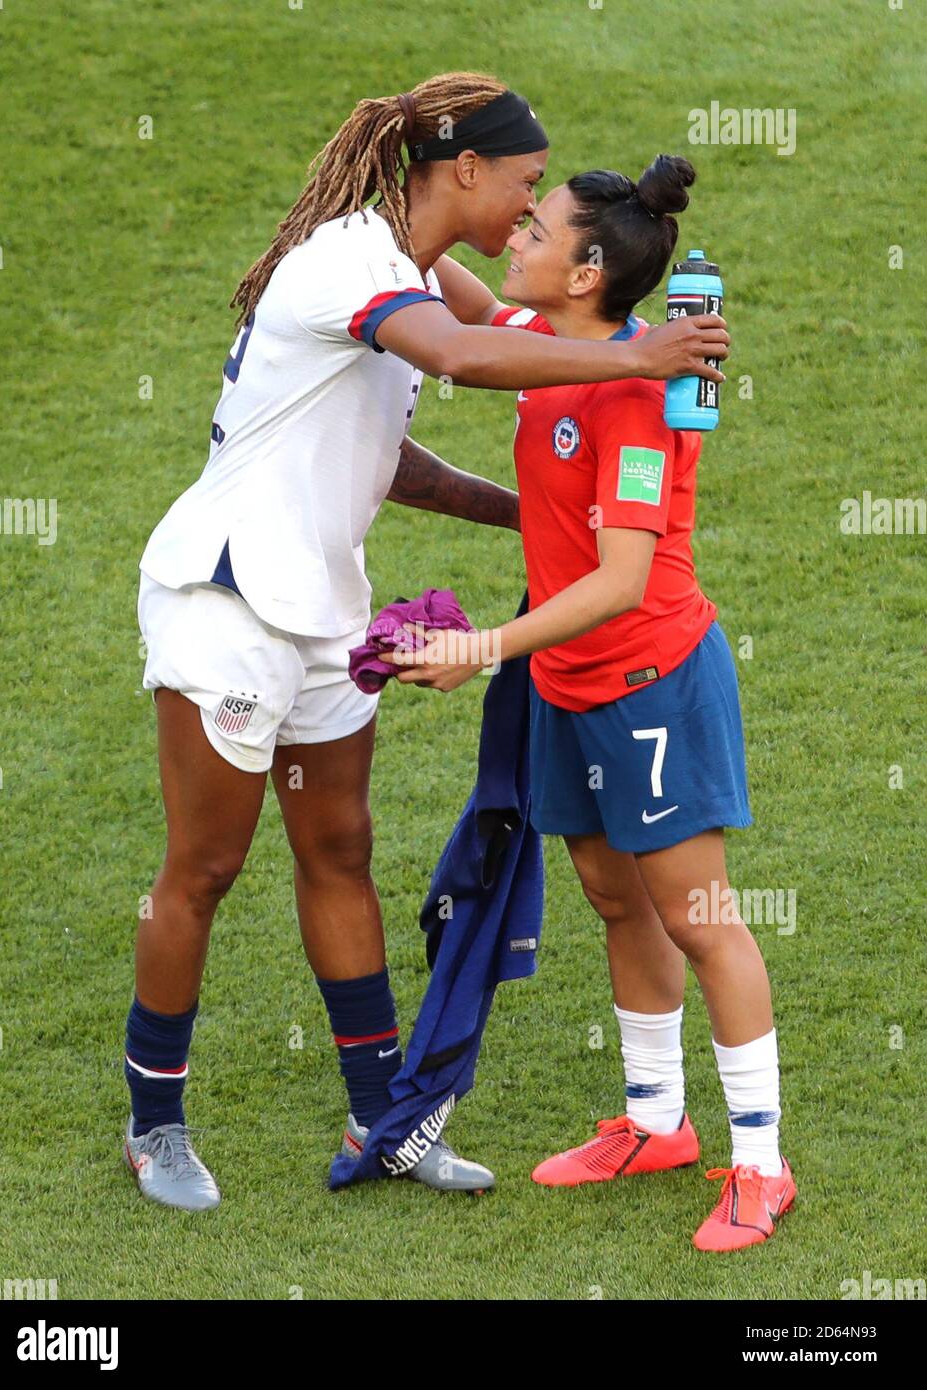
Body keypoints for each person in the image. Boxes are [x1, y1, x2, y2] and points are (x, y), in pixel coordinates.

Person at [125, 72, 729, 1211]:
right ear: (463, 172)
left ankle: (384, 1119)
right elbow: (463, 358)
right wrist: (638, 359)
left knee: (340, 851)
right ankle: (155, 1122)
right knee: (203, 867)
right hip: (226, 600)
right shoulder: (352, 261)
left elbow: (387, 456)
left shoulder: (402, 277)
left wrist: (531, 512)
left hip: (320, 613)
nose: (530, 208)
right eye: (527, 185)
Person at [387, 155, 794, 1251]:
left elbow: (619, 579)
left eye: (541, 229)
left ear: (591, 266)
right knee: (617, 900)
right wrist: (395, 230)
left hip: (649, 680)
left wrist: (481, 646)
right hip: (572, 684)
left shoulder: (628, 393)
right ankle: (655, 1120)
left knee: (699, 918)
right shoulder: (552, 338)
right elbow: (459, 313)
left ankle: (761, 1161)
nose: (518, 232)